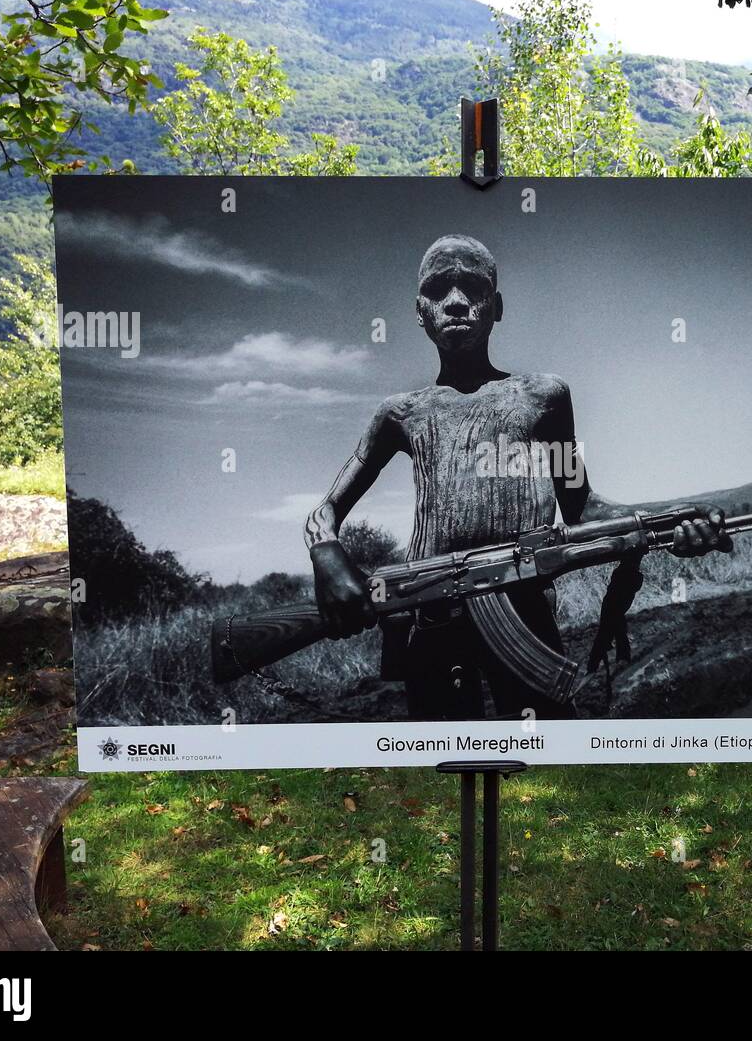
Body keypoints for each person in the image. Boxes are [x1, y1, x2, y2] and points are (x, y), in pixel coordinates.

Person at [305, 234, 729, 719]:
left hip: (524, 614)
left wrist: (668, 524)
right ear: (419, 311)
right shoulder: (401, 414)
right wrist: (328, 557)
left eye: (473, 288)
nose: (457, 301)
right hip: (429, 616)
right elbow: (325, 513)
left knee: (549, 762)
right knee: (443, 762)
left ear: (496, 306)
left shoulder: (543, 397)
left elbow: (581, 504)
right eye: (439, 289)